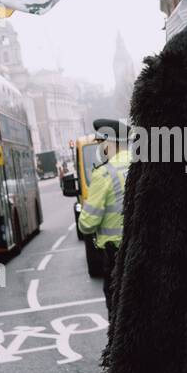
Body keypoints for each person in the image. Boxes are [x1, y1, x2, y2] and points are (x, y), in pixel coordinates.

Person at [78, 117, 132, 322]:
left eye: (100, 143)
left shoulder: (104, 173)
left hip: (116, 254)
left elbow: (87, 223)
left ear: (111, 142)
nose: (99, 149)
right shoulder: (142, 163)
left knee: (119, 314)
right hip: (146, 249)